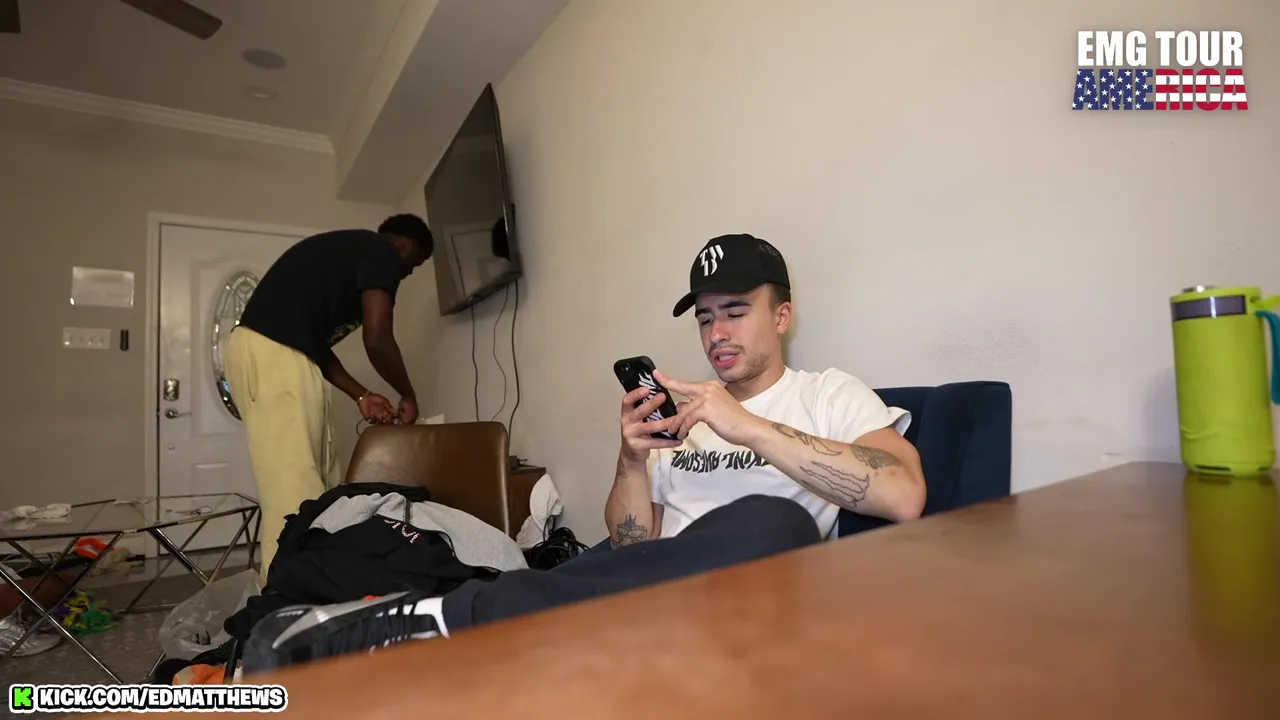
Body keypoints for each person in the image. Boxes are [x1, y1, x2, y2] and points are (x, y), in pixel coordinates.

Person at [240, 233, 926, 673]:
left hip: (746, 605)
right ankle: (407, 628)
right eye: (705, 316)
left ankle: (438, 619)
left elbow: (903, 494)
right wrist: (631, 461)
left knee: (777, 522)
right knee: (570, 560)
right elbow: (630, 548)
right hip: (643, 596)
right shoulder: (682, 414)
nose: (716, 332)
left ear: (782, 315)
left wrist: (749, 427)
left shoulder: (828, 394)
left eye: (735, 311)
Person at [223, 214, 433, 577]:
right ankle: (284, 596)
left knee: (317, 482)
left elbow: (316, 348)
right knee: (293, 490)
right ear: (408, 246)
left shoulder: (348, 258)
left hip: (277, 353)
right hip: (274, 355)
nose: (407, 273)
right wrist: (408, 394)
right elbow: (377, 338)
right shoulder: (381, 250)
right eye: (414, 266)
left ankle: (315, 580)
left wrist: (361, 395)